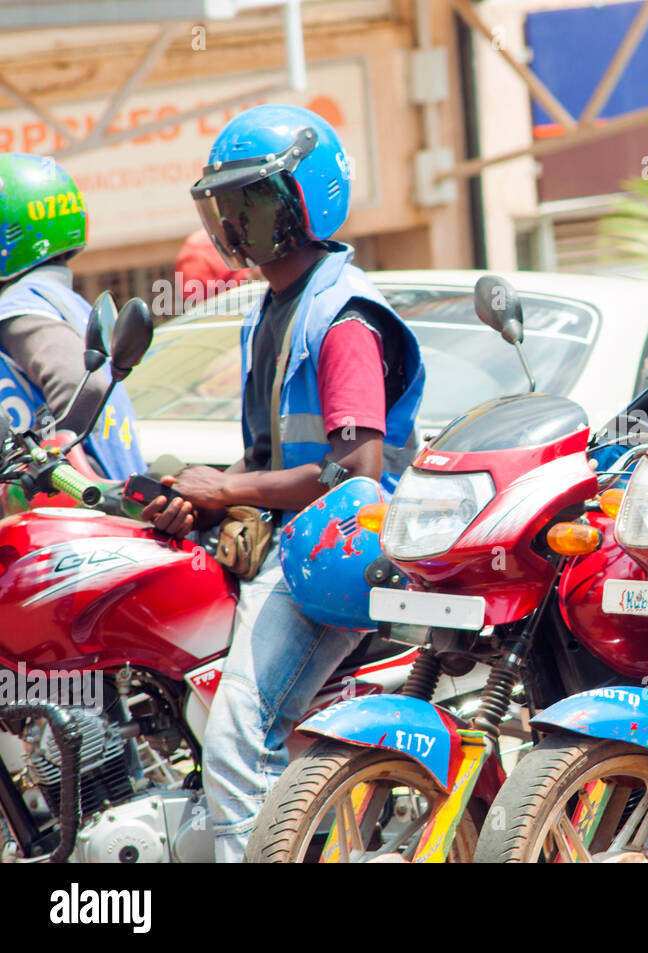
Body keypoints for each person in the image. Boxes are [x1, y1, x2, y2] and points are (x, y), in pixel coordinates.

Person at [141, 104, 425, 862]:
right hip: (293, 542)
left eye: (252, 204)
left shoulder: (341, 317)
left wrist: (230, 489)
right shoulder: (273, 308)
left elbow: (356, 472)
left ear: (308, 200)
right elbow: (269, 452)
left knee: (238, 739)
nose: (234, 227)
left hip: (339, 547)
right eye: (225, 208)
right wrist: (198, 490)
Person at [0, 153, 145, 479]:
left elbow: (84, 386)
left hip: (74, 512)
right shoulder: (66, 302)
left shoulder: (19, 308)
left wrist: (52, 467)